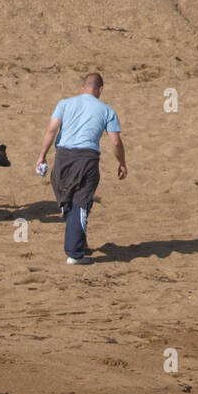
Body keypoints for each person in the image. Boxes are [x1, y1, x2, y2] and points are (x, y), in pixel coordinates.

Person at [36, 72, 127, 263]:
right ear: (100, 90)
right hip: (86, 159)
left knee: (71, 202)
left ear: (82, 88)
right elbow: (116, 142)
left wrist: (42, 155)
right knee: (80, 202)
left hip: (62, 157)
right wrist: (122, 163)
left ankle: (78, 242)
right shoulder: (106, 110)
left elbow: (51, 130)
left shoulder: (64, 104)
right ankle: (74, 254)